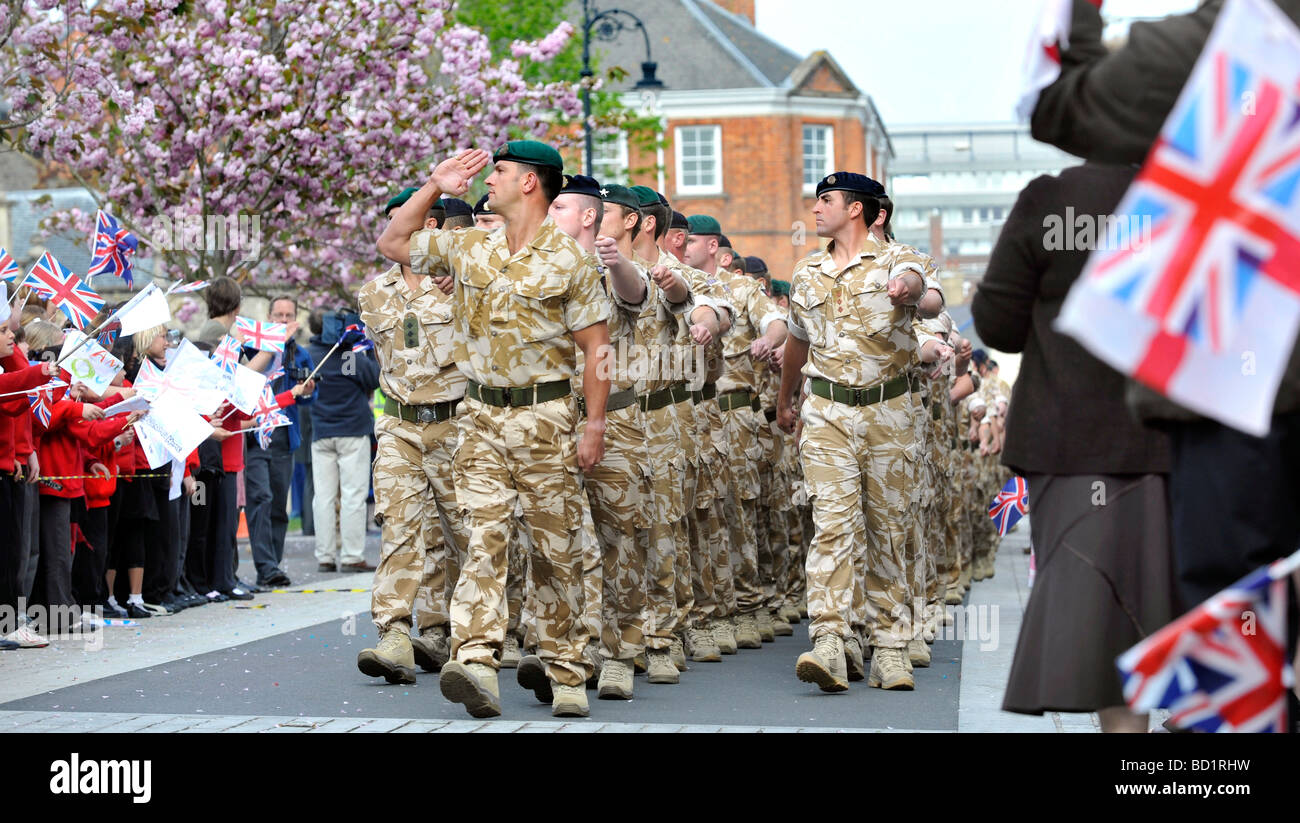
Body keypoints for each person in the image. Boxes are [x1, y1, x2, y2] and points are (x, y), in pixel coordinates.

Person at [1030, 0, 1300, 624]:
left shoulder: (1217, 42)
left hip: (1236, 397)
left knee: (1236, 636)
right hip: (1241, 394)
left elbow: (1062, 104)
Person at [378, 141, 611, 719]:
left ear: (530, 182)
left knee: (555, 549)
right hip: (479, 418)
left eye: (499, 172)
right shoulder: (469, 246)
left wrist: (595, 425)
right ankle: (477, 661)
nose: (488, 180)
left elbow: (596, 350)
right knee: (484, 536)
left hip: (547, 419)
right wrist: (434, 186)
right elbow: (392, 243)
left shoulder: (570, 261)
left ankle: (565, 665)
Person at [972, 162, 1178, 733]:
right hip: (1177, 438)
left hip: (1072, 440)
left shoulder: (1052, 199)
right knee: (1183, 607)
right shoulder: (1184, 194)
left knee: (1103, 618)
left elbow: (1001, 324)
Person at [778, 171, 929, 692]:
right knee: (833, 525)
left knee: (888, 528)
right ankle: (830, 641)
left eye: (827, 201)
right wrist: (785, 398)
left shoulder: (898, 259)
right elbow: (797, 341)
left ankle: (890, 646)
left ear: (863, 211)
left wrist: (907, 290)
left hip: (889, 414)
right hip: (827, 416)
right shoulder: (806, 273)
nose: (816, 209)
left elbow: (924, 294)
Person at [353, 187, 473, 685]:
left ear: (434, 228)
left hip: (457, 424)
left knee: (467, 534)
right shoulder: (374, 293)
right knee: (399, 529)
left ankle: (472, 635)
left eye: (413, 221)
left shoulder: (466, 283)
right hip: (400, 425)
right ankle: (395, 635)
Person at [243, 295, 314, 588]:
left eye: (289, 315)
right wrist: (273, 346)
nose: (283, 321)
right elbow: (243, 384)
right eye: (278, 315)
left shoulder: (302, 355)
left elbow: (311, 395)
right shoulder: (252, 348)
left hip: (285, 435)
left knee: (277, 504)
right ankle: (266, 567)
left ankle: (274, 563)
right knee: (260, 498)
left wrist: (308, 389)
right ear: (269, 318)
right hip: (255, 434)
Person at [305, 306, 380, 574]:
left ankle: (324, 555)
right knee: (353, 495)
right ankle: (351, 555)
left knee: (323, 496)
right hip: (352, 431)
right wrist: (367, 350)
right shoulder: (347, 355)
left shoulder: (310, 355)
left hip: (322, 432)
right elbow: (372, 378)